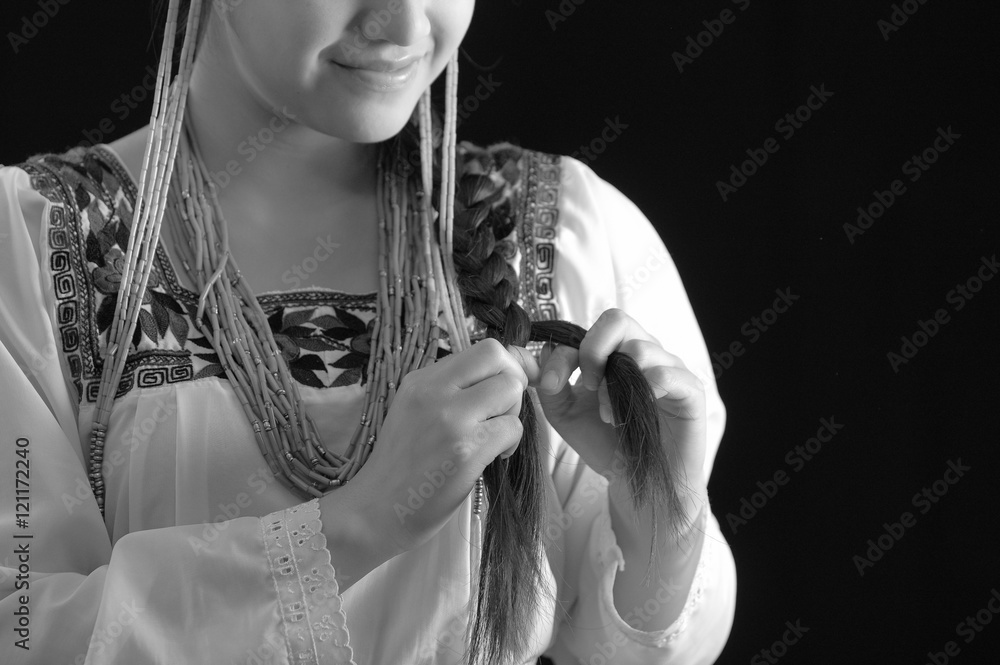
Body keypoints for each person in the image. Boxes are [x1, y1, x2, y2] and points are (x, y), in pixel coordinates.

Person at [0, 1, 736, 663]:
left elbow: (636, 646)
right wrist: (357, 525)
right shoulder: (28, 247)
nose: (405, 27)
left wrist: (660, 527)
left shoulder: (569, 231)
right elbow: (22, 631)